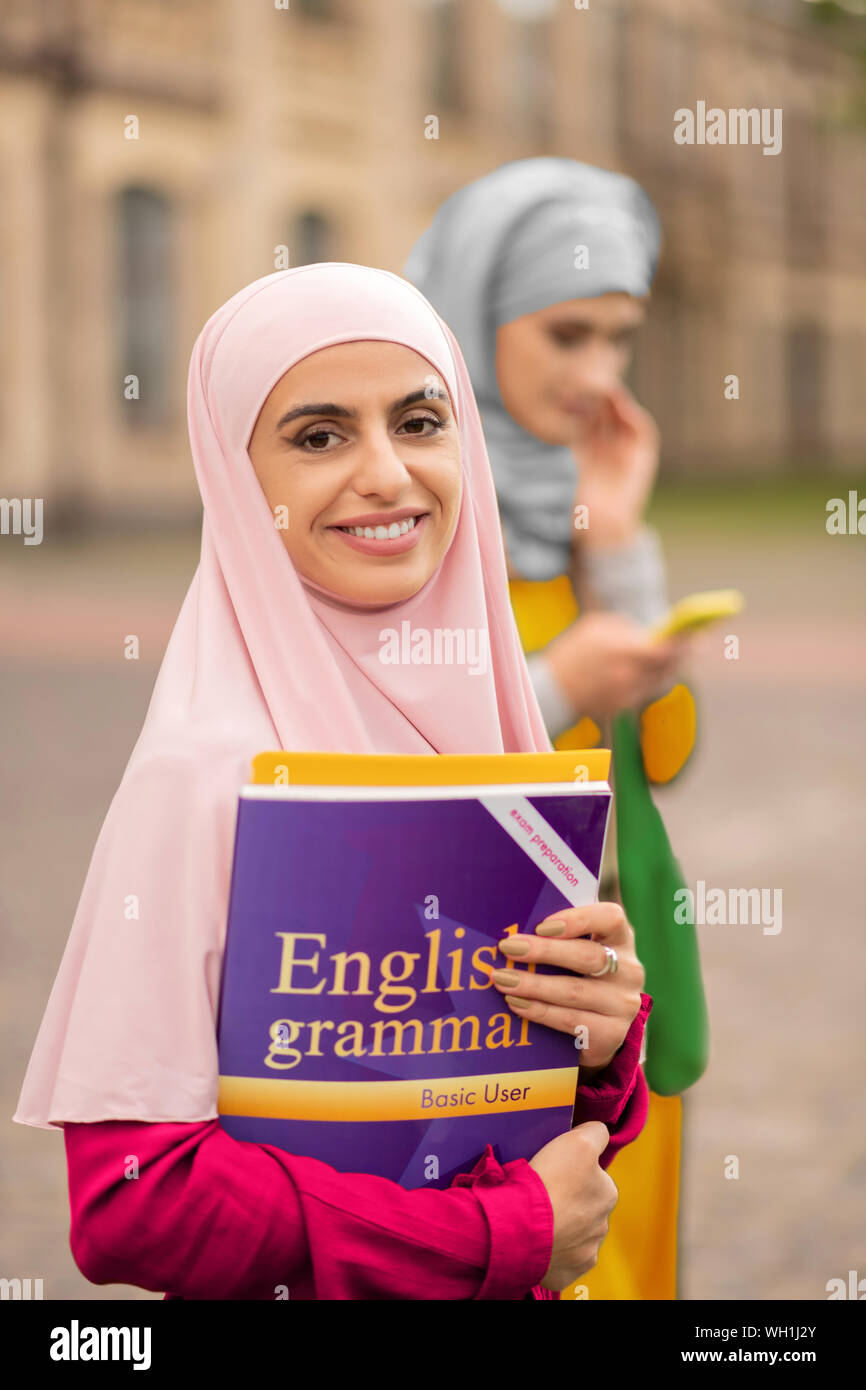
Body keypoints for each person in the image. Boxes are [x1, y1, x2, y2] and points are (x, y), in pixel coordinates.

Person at [14, 263, 653, 1301]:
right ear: (236, 475)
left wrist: (601, 1038)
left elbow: (532, 1126)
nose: (388, 475)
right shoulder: (206, 772)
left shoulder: (490, 722)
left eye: (417, 421)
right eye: (318, 437)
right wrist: (497, 1235)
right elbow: (135, 1202)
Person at [404, 158, 710, 1300]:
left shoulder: (584, 501)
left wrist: (618, 540)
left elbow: (665, 756)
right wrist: (556, 679)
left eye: (620, 339)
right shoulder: (402, 517)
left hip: (630, 984)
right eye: (567, 334)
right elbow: (390, 766)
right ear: (476, 316)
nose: (598, 374)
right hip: (479, 995)